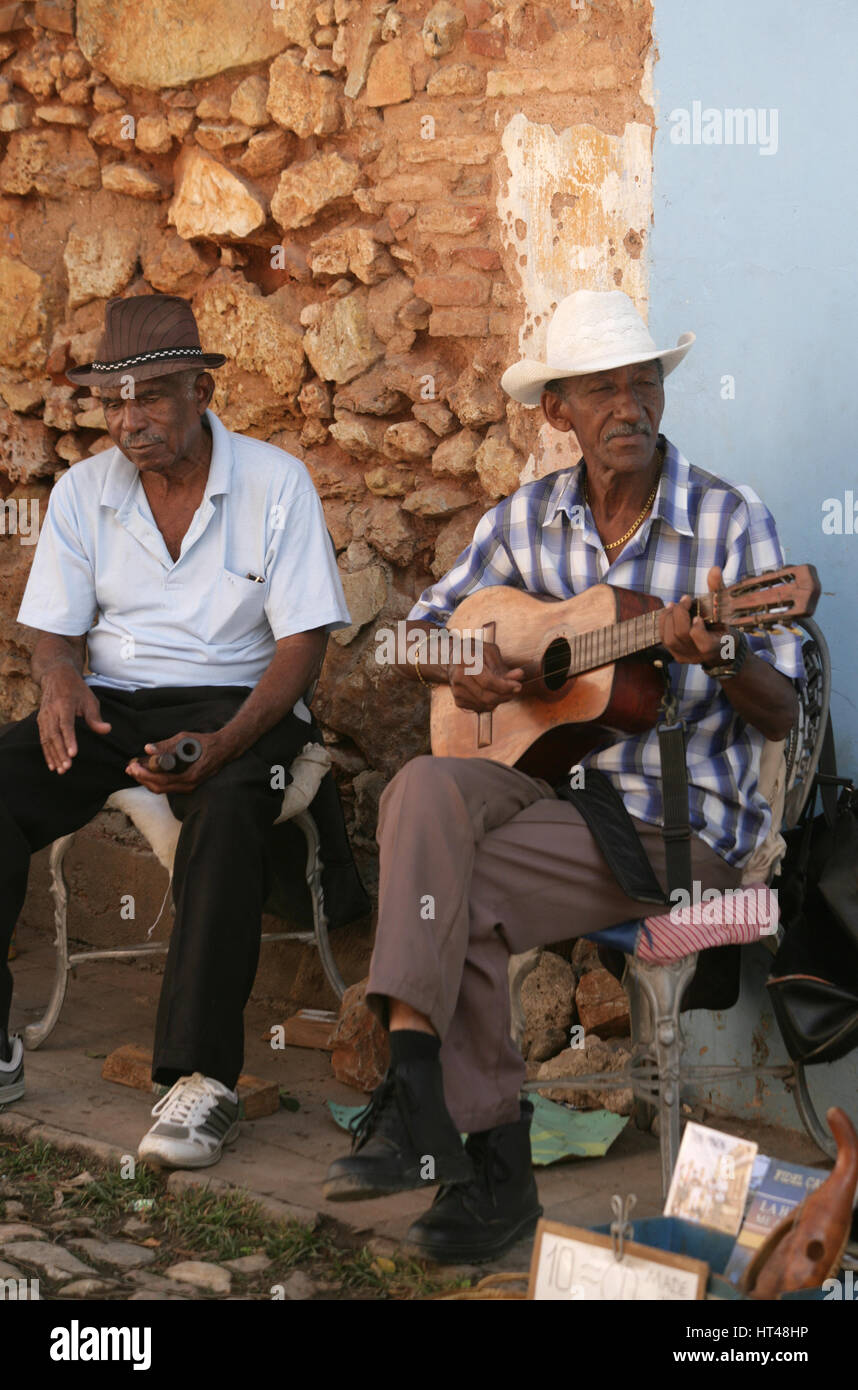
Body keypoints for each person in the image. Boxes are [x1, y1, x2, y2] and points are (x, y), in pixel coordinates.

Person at [324, 289, 804, 1264]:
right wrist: (463, 664)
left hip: (681, 823)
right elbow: (409, 636)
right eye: (601, 389)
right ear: (559, 413)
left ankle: (482, 1164)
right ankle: (423, 1090)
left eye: (643, 383)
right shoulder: (523, 522)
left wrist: (712, 653)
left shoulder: (729, 522)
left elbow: (785, 707)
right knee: (419, 786)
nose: (628, 404)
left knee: (441, 893)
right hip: (551, 795)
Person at [0, 293, 361, 1169]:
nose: (131, 420)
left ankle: (202, 1080)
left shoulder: (275, 483)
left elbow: (302, 644)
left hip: (243, 704)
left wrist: (228, 743)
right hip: (114, 701)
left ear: (202, 390)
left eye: (153, 395)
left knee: (231, 805)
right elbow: (54, 624)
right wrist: (57, 675)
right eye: (115, 401)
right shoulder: (88, 491)